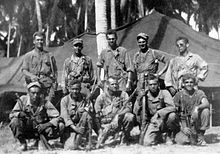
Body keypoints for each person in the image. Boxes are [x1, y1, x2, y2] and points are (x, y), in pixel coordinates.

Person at [9, 81, 64, 151]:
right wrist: (20, 114)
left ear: (40, 94)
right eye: (33, 93)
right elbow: (11, 114)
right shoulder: (23, 100)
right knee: (14, 121)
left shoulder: (45, 102)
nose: (35, 95)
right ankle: (23, 143)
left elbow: (58, 117)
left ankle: (41, 141)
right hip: (27, 129)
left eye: (37, 93)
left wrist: (46, 125)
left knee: (60, 125)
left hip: (41, 130)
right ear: (28, 93)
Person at [133, 74, 179, 145]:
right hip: (152, 122)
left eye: (155, 84)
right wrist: (139, 99)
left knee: (172, 116)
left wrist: (159, 113)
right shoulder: (144, 95)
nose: (153, 86)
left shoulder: (164, 92)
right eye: (150, 84)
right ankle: (158, 136)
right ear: (148, 86)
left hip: (163, 120)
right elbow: (135, 111)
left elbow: (172, 107)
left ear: (158, 84)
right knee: (146, 142)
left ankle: (169, 134)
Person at [95, 76, 135, 147]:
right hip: (106, 123)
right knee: (103, 143)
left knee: (129, 116)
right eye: (112, 84)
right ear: (107, 85)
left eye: (116, 84)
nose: (115, 86)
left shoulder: (123, 94)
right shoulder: (101, 97)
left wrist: (118, 115)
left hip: (119, 120)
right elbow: (97, 114)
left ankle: (124, 137)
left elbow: (129, 108)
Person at [174, 73, 209, 145]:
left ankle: (201, 135)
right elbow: (175, 113)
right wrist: (182, 127)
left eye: (191, 82)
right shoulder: (179, 95)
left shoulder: (199, 93)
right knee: (182, 141)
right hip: (184, 121)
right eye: (186, 82)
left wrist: (197, 108)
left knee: (205, 111)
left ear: (194, 83)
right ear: (183, 84)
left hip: (196, 119)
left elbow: (206, 103)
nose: (189, 84)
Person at [22, 31, 58, 102]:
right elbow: (24, 70)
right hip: (34, 85)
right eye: (37, 40)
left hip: (47, 85)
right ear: (34, 41)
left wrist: (54, 84)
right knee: (31, 105)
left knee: (48, 105)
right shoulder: (28, 56)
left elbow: (55, 71)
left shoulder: (49, 55)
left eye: (41, 40)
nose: (40, 41)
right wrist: (31, 76)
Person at [60, 80, 94, 150]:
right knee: (71, 147)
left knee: (87, 115)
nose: (75, 91)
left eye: (77, 89)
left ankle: (88, 140)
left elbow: (90, 113)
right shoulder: (64, 100)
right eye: (73, 89)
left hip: (81, 125)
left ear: (80, 89)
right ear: (69, 89)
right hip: (70, 127)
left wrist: (85, 111)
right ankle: (65, 139)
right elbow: (65, 117)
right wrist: (76, 129)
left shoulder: (84, 99)